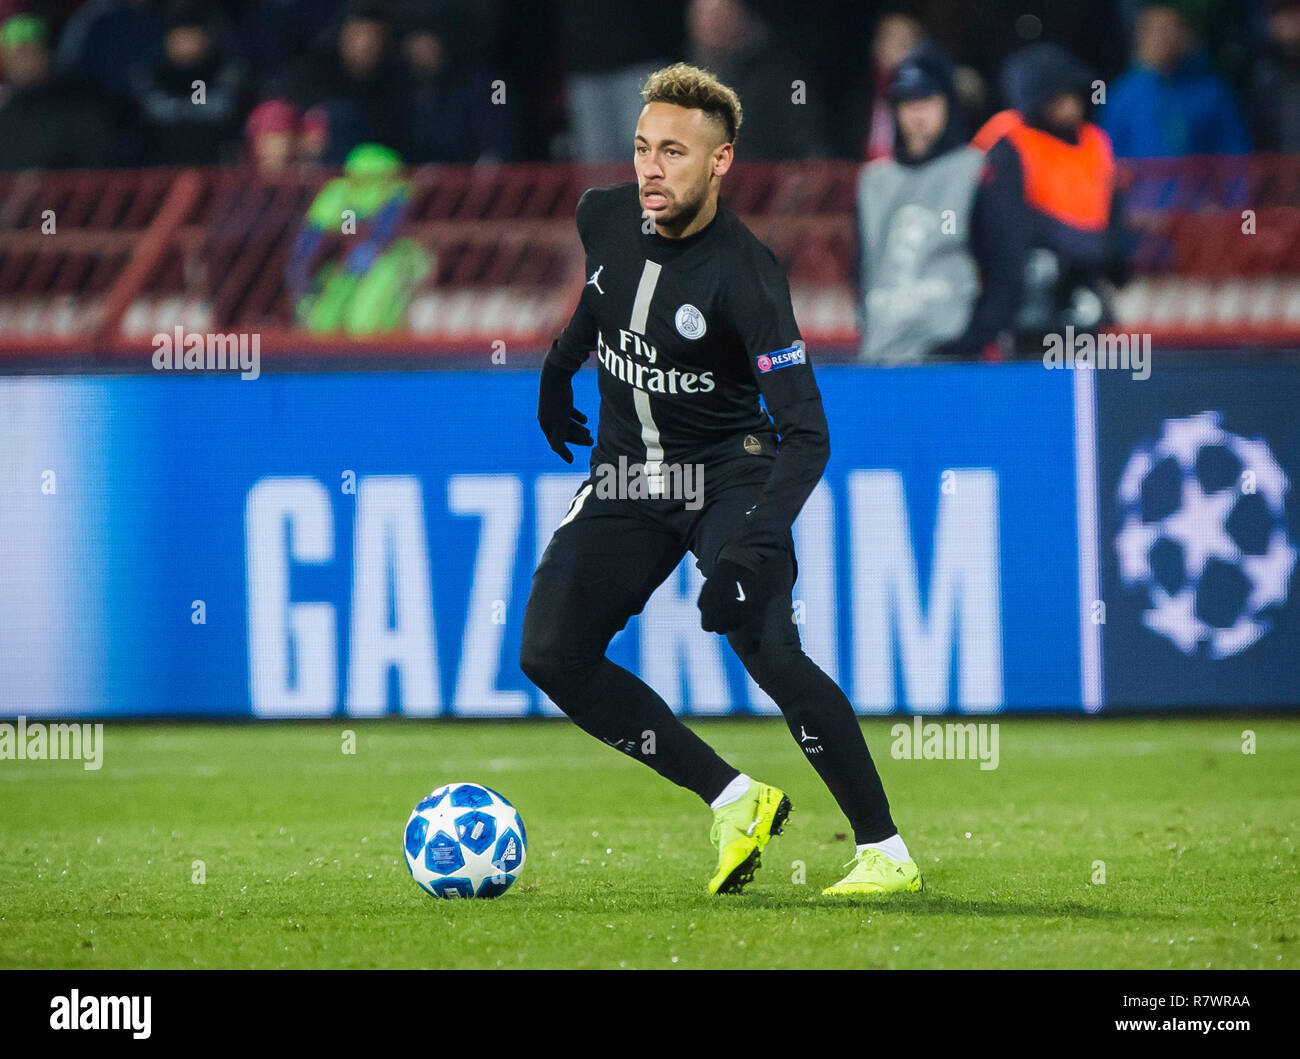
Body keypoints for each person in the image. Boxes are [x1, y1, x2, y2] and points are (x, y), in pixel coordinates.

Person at [519, 62, 919, 899]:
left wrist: (749, 551)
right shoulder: (603, 216)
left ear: (720, 162)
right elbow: (597, 305)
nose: (649, 169)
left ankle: (885, 851)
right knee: (552, 653)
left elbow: (807, 434)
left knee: (771, 649)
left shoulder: (748, 275)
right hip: (628, 477)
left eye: (672, 152)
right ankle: (734, 797)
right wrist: (556, 379)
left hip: (726, 475)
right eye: (640, 149)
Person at [856, 42, 1026, 362]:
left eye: (928, 100)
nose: (917, 113)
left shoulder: (976, 171)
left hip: (950, 360)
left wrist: (968, 343)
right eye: (907, 102)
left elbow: (1005, 273)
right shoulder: (873, 182)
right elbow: (863, 269)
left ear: (948, 103)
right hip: (881, 356)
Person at [974, 43, 1128, 354]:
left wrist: (1105, 256)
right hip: (1029, 291)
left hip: (1085, 282)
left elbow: (1112, 217)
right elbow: (1010, 225)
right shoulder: (1008, 143)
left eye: (1073, 95)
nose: (1070, 105)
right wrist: (1083, 244)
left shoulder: (1095, 142)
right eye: (1058, 98)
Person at [286, 143, 430, 334]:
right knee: (322, 322)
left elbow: (382, 234)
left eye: (373, 179)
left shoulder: (399, 192)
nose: (366, 184)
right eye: (360, 179)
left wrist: (354, 241)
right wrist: (304, 264)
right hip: (345, 262)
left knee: (367, 322)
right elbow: (319, 235)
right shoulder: (341, 192)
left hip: (392, 259)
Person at [1102, 1, 1250, 158]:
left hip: (1201, 182)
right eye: (1150, 30)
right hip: (1144, 182)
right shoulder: (1122, 96)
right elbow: (1108, 161)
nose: (1159, 39)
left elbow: (1235, 158)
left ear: (1185, 34)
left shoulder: (1213, 93)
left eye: (1167, 30)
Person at [0, 12, 117, 170]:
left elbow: (97, 164)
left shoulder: (78, 105)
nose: (26, 61)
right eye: (18, 54)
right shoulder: (6, 113)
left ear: (48, 54)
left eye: (32, 51)